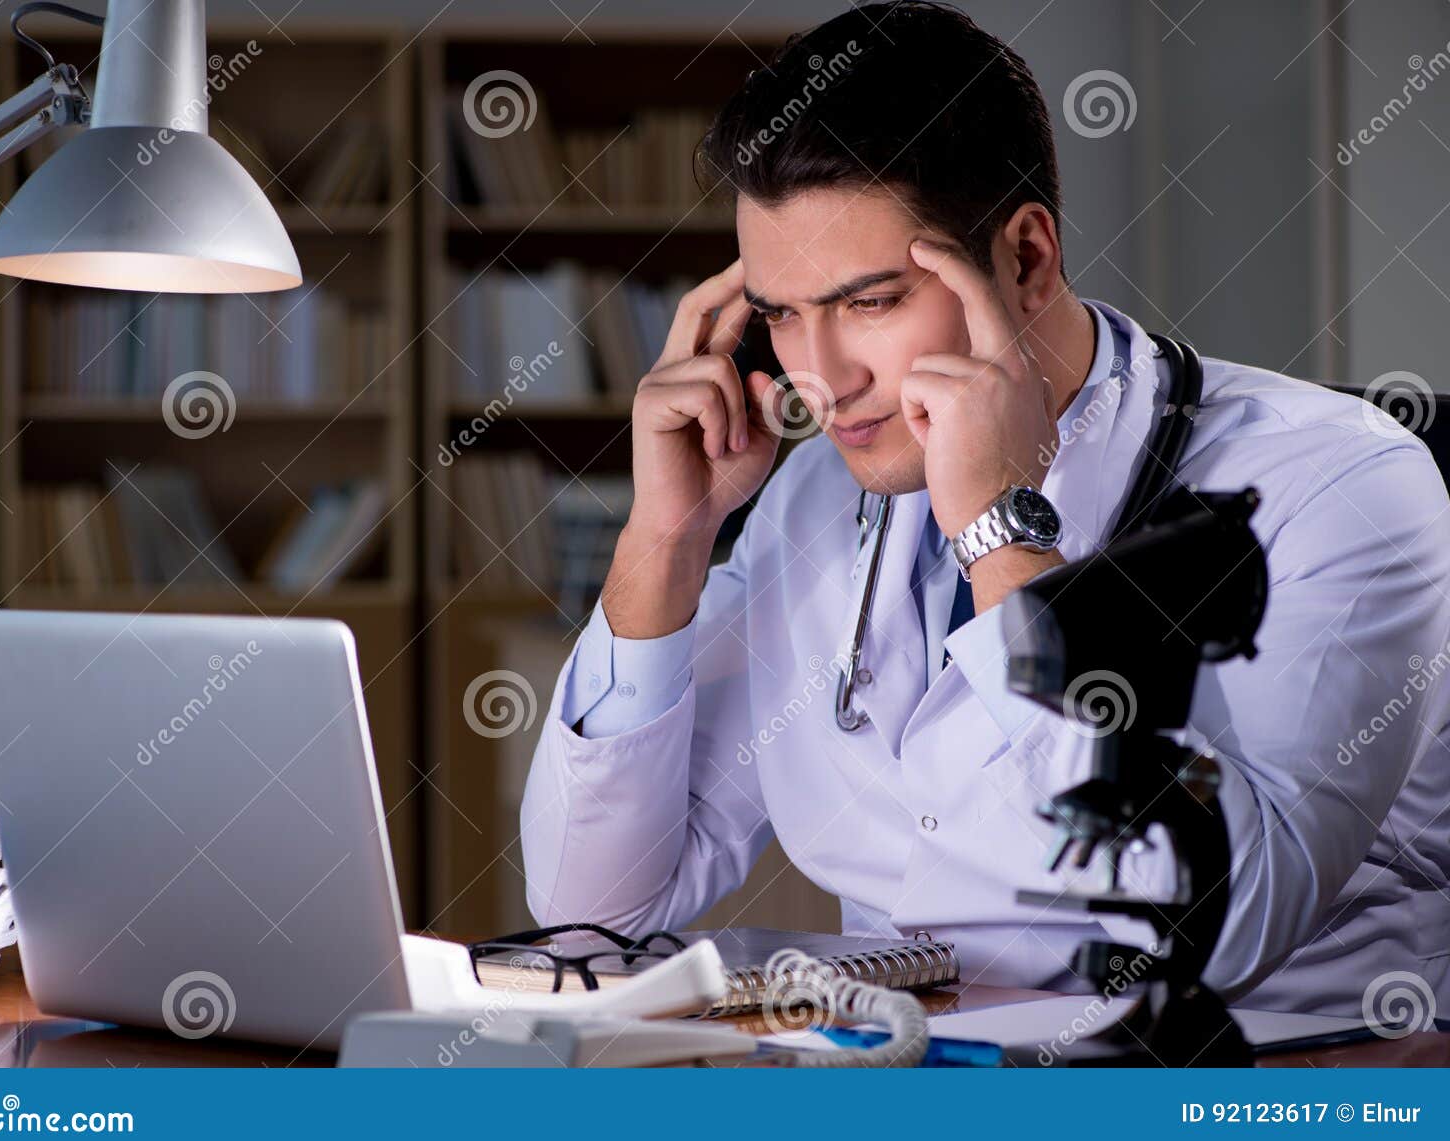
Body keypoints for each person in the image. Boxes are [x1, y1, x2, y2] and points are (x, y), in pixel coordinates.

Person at [520, 1, 1450, 1016]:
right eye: (782, 314)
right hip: (921, 1077)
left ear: (1026, 259)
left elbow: (1223, 925)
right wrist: (663, 544)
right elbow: (587, 917)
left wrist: (997, 536)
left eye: (869, 302)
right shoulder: (811, 501)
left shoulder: (1339, 483)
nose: (818, 376)